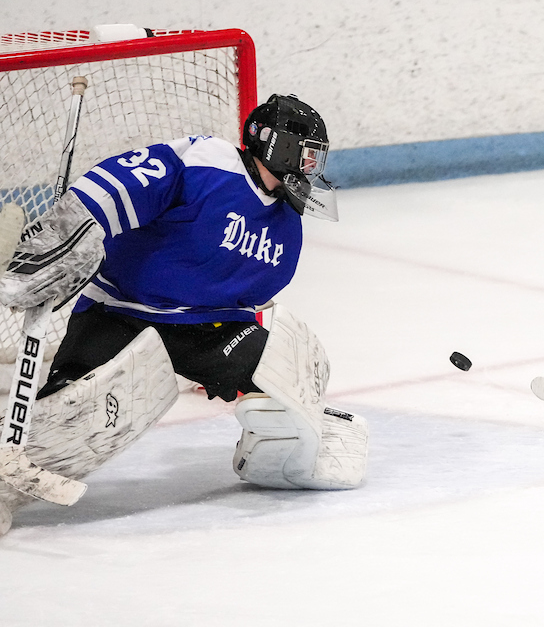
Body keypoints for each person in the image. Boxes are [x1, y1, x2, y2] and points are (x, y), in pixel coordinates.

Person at [0, 95, 367, 535]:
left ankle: (276, 454)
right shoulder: (206, 162)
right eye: (304, 153)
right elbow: (124, 179)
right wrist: (72, 230)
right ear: (277, 147)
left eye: (316, 158)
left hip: (206, 330)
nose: (309, 167)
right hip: (121, 314)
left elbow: (248, 298)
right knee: (75, 413)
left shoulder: (287, 222)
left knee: (291, 364)